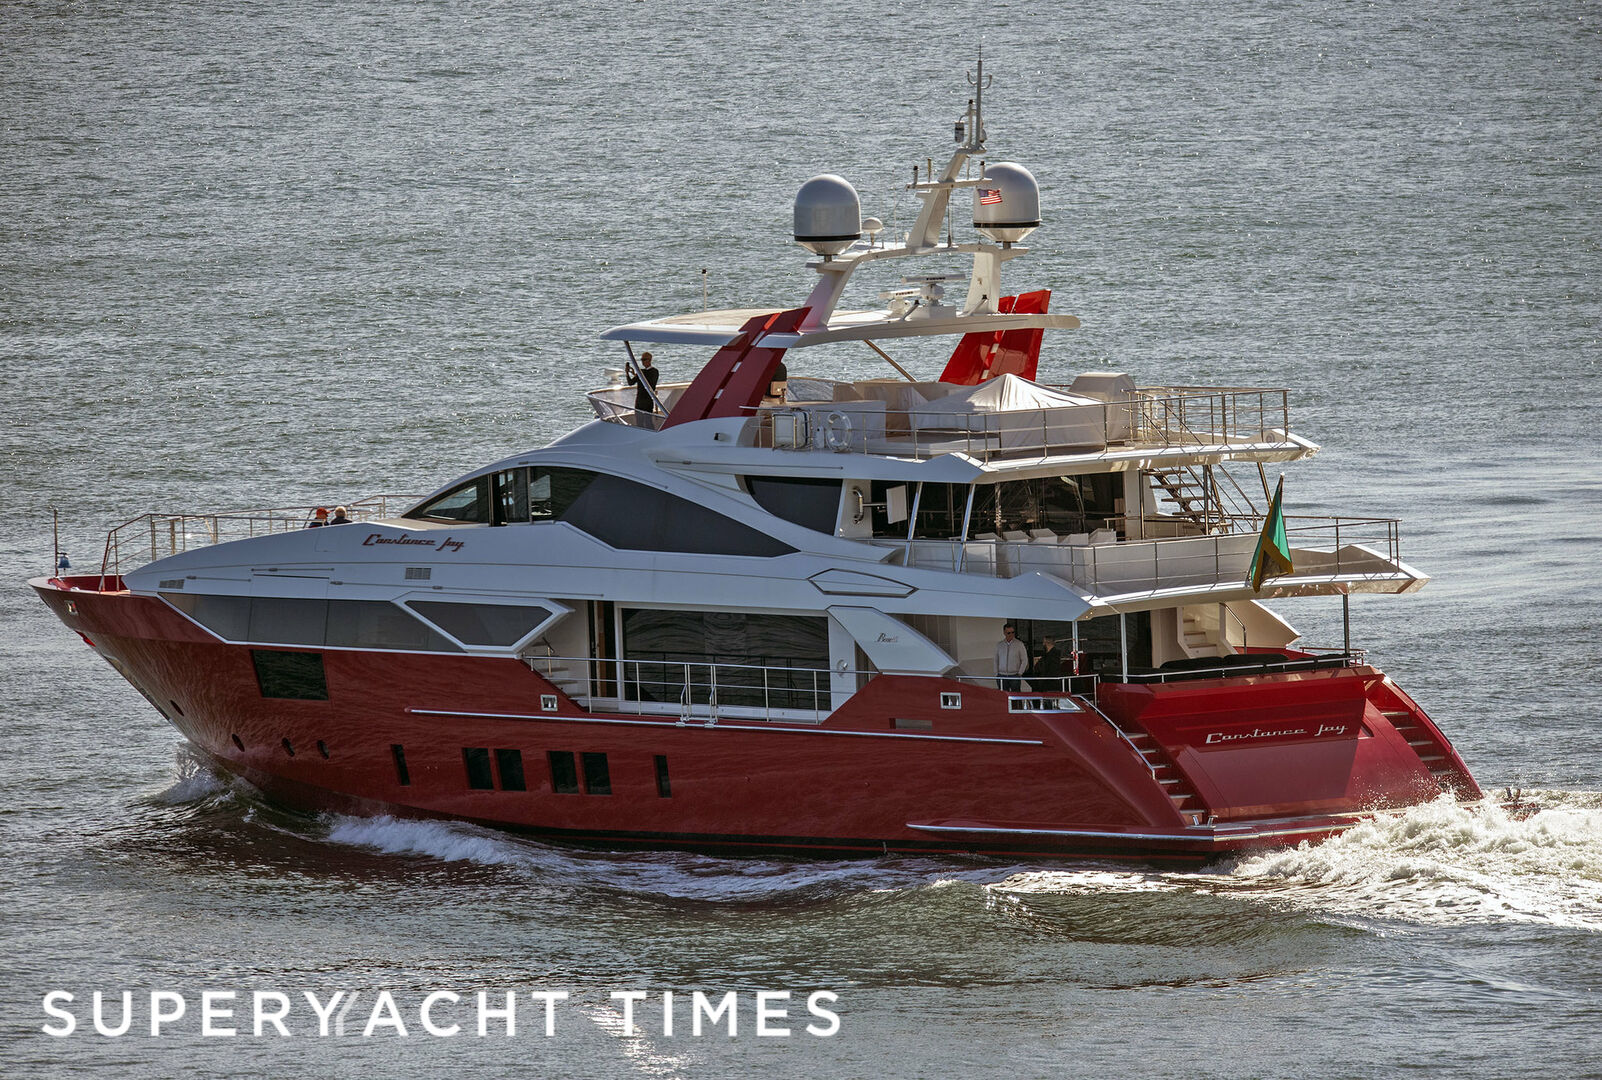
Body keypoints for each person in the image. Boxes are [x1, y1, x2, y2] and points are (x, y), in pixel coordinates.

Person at [995, 622, 1028, 692]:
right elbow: (996, 659)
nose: (1011, 634)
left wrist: (1020, 673)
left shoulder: (1019, 644)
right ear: (1004, 633)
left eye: (1013, 632)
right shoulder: (999, 645)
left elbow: (1024, 659)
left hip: (1015, 675)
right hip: (1001, 675)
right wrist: (996, 673)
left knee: (1016, 697)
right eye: (1008, 633)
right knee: (1003, 697)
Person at [626, 352, 660, 419]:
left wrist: (638, 374)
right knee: (639, 421)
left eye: (644, 359)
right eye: (642, 360)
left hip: (647, 400)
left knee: (648, 422)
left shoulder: (654, 371)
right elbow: (630, 383)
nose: (642, 362)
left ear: (649, 360)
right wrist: (627, 373)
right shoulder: (641, 372)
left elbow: (650, 383)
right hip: (639, 400)